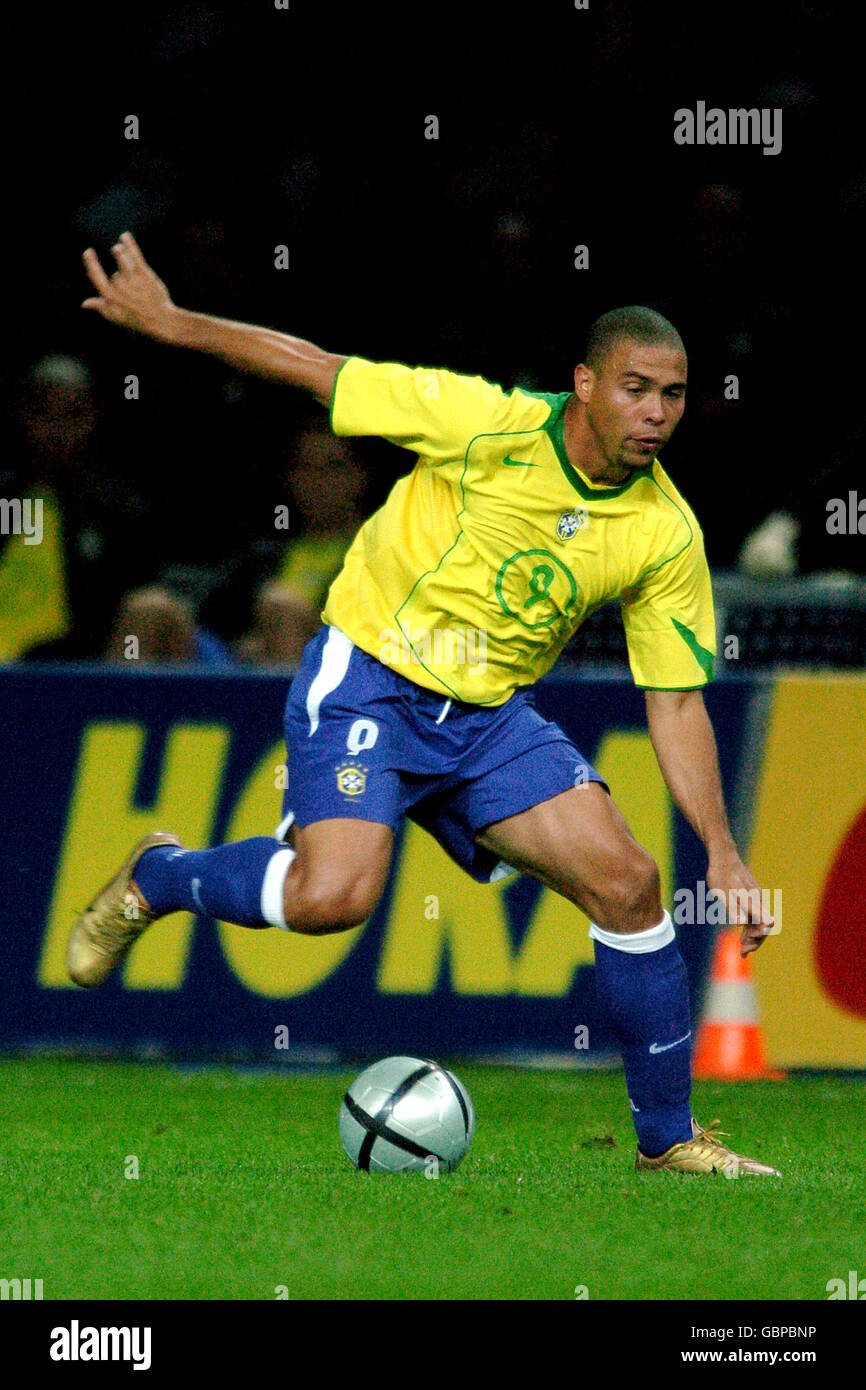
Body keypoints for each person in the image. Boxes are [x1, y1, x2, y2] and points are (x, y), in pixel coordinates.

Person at [67, 231, 780, 1178]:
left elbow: (679, 705)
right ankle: (161, 879)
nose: (655, 414)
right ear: (584, 384)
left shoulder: (663, 532)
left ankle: (669, 1141)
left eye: (675, 394)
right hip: (370, 676)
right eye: (634, 388)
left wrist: (724, 855)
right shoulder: (481, 421)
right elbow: (319, 371)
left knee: (631, 882)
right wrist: (169, 322)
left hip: (486, 723)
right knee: (331, 900)